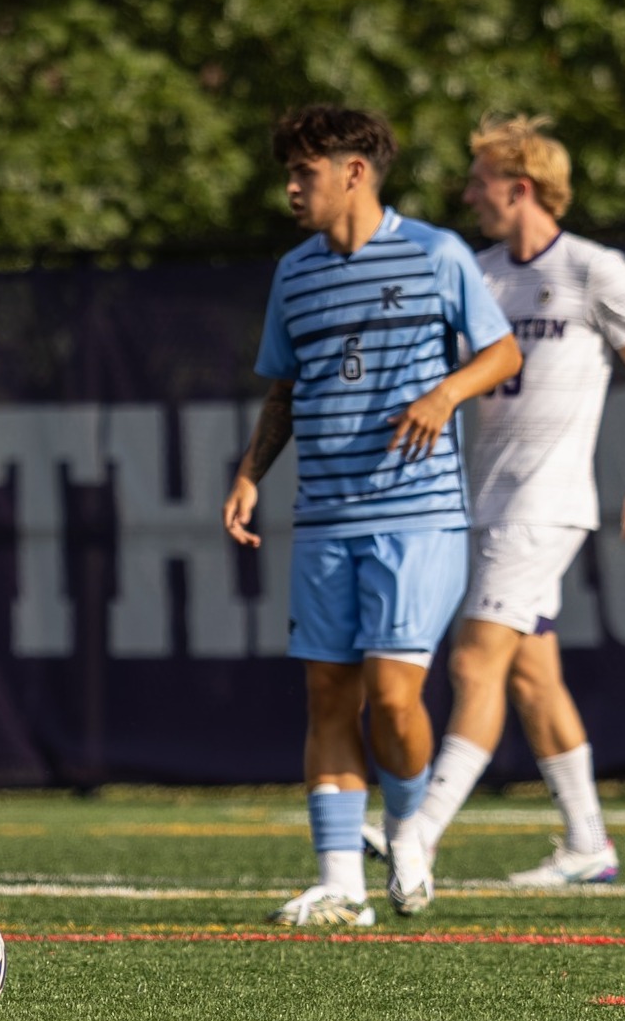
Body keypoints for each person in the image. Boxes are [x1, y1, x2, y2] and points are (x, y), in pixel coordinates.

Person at [221, 107, 520, 926]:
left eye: (304, 173)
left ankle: (412, 829)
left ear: (355, 172)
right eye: (287, 172)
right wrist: (251, 474)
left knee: (393, 699)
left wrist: (445, 391)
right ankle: (341, 884)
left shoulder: (436, 252)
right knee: (328, 694)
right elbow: (284, 387)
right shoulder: (295, 273)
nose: (289, 188)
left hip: (418, 517)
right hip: (322, 516)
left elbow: (502, 351)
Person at [365, 114, 625, 886]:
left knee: (476, 661)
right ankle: (588, 843)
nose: (469, 195)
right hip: (486, 500)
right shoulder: (482, 270)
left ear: (522, 187)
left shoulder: (593, 268)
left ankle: (418, 831)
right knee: (534, 676)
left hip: (548, 501)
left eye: (480, 182)